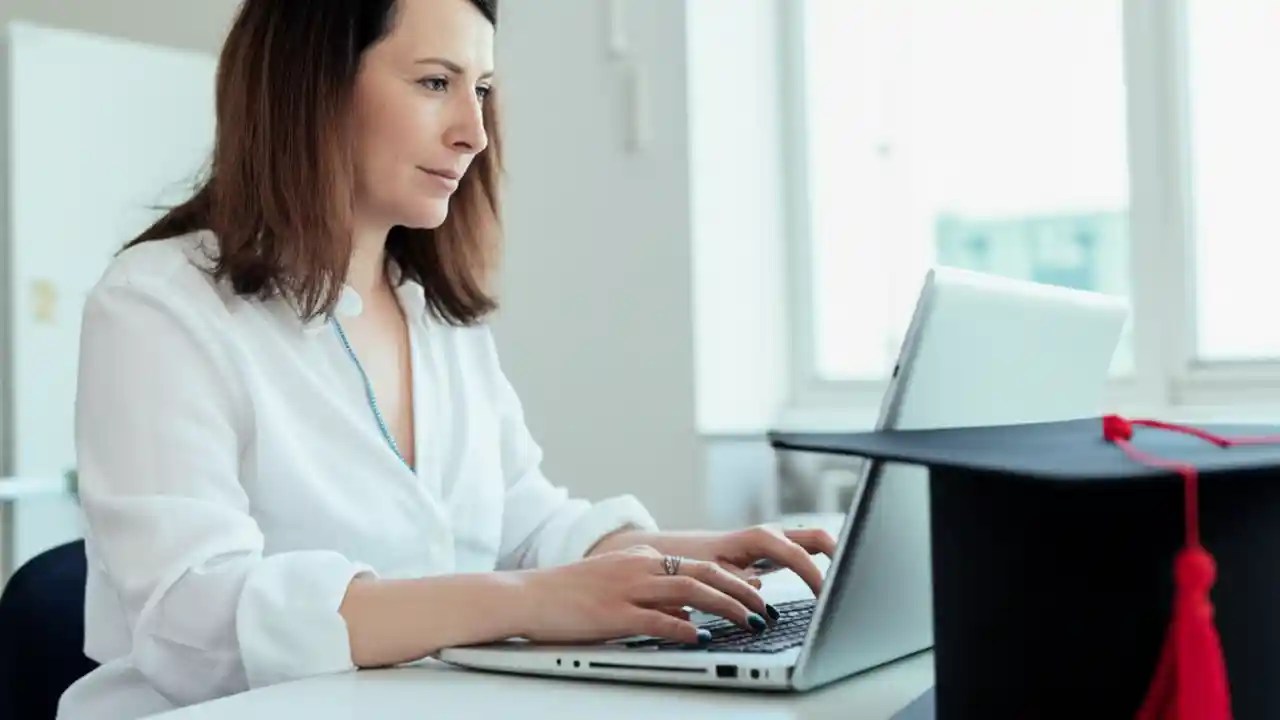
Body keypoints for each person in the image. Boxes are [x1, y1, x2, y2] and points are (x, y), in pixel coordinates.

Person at [58, 1, 836, 718]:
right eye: (436, 83)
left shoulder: (433, 316)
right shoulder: (160, 304)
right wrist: (528, 601)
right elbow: (194, 618)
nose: (474, 132)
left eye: (483, 90)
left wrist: (678, 560)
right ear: (312, 86)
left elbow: (528, 524)